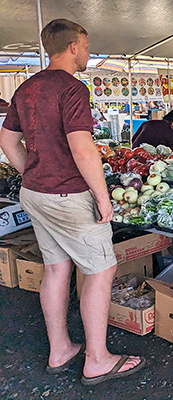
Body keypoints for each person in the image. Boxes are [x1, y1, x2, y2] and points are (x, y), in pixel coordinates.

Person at [0, 19, 144, 384]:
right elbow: (83, 149)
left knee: (56, 268)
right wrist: (102, 197)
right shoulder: (72, 90)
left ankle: (60, 349)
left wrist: (30, 172)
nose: (89, 51)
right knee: (100, 271)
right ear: (72, 47)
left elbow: (6, 141)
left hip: (35, 194)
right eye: (86, 44)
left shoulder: (26, 88)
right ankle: (96, 359)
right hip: (68, 195)